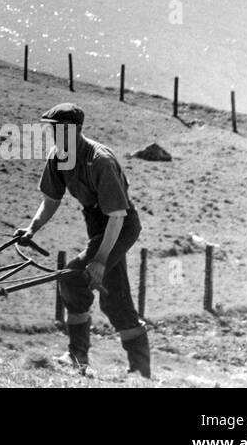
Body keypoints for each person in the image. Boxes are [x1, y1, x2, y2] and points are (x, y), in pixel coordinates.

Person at [14, 102, 150, 378]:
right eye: (53, 130)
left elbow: (117, 216)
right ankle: (141, 372)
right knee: (115, 299)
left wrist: (100, 260)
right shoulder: (59, 156)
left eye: (60, 129)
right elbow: (51, 200)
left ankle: (77, 357)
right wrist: (32, 229)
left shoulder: (99, 160)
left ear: (75, 130)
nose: (55, 135)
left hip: (119, 225)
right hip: (98, 224)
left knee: (73, 277)